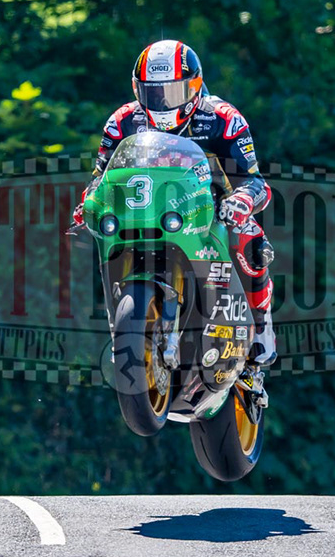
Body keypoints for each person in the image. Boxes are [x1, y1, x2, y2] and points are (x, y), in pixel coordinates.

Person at [73, 40, 277, 391]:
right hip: (144, 211)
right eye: (153, 93)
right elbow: (101, 176)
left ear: (195, 87)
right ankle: (125, 328)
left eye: (173, 91)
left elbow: (255, 180)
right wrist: (89, 201)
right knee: (88, 238)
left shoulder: (222, 118)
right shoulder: (122, 120)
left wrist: (241, 201)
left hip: (207, 209)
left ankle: (262, 326)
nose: (163, 102)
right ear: (137, 90)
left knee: (252, 241)